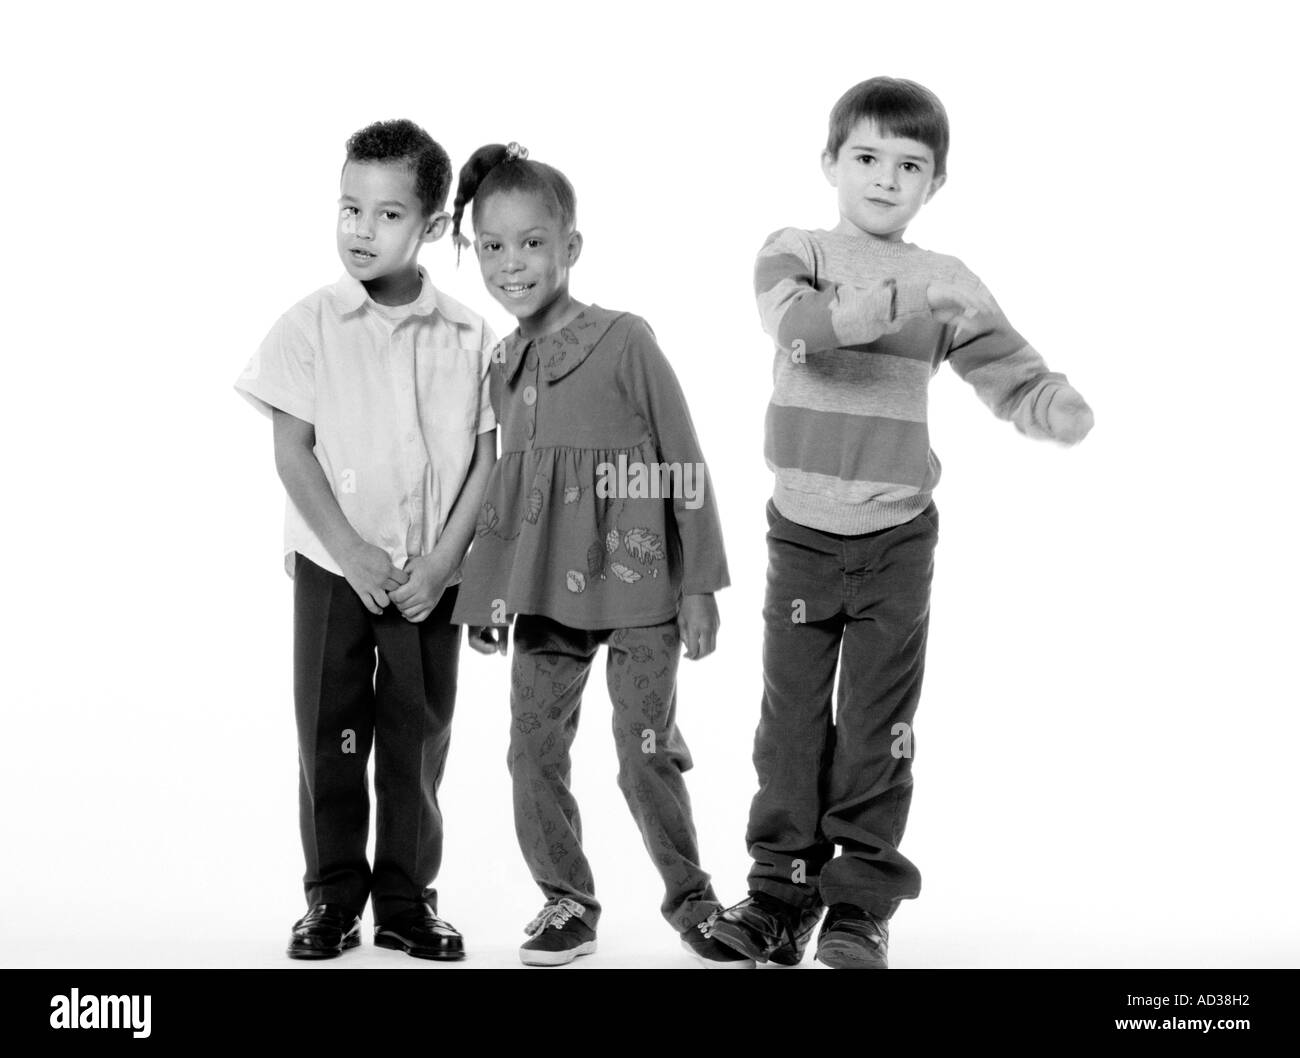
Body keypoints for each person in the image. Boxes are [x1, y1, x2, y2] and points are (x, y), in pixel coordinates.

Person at [707, 77, 1095, 969]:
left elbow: (1007, 367)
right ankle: (778, 895)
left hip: (894, 540)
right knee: (791, 724)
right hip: (802, 533)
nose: (885, 179)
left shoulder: (947, 280)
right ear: (831, 163)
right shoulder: (791, 248)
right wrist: (896, 300)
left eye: (909, 165)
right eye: (867, 157)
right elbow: (797, 330)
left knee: (880, 726)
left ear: (936, 184)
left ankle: (859, 906)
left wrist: (1052, 405)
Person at [448, 142, 748, 968]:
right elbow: (507, 493)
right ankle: (565, 903)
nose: (513, 263)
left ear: (571, 246)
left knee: (644, 748)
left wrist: (700, 585)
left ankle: (693, 902)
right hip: (543, 601)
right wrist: (487, 598)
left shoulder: (625, 341)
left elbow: (685, 458)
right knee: (530, 750)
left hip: (643, 589)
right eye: (494, 246)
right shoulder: (502, 366)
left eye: (533, 241)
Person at [234, 119, 497, 961]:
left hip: (430, 578)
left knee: (416, 741)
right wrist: (350, 553)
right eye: (349, 207)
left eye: (387, 215)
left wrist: (448, 561)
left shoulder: (467, 337)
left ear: (432, 228)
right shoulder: (308, 325)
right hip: (332, 568)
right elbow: (291, 449)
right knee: (330, 735)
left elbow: (490, 458)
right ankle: (332, 899)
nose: (360, 229)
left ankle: (408, 902)